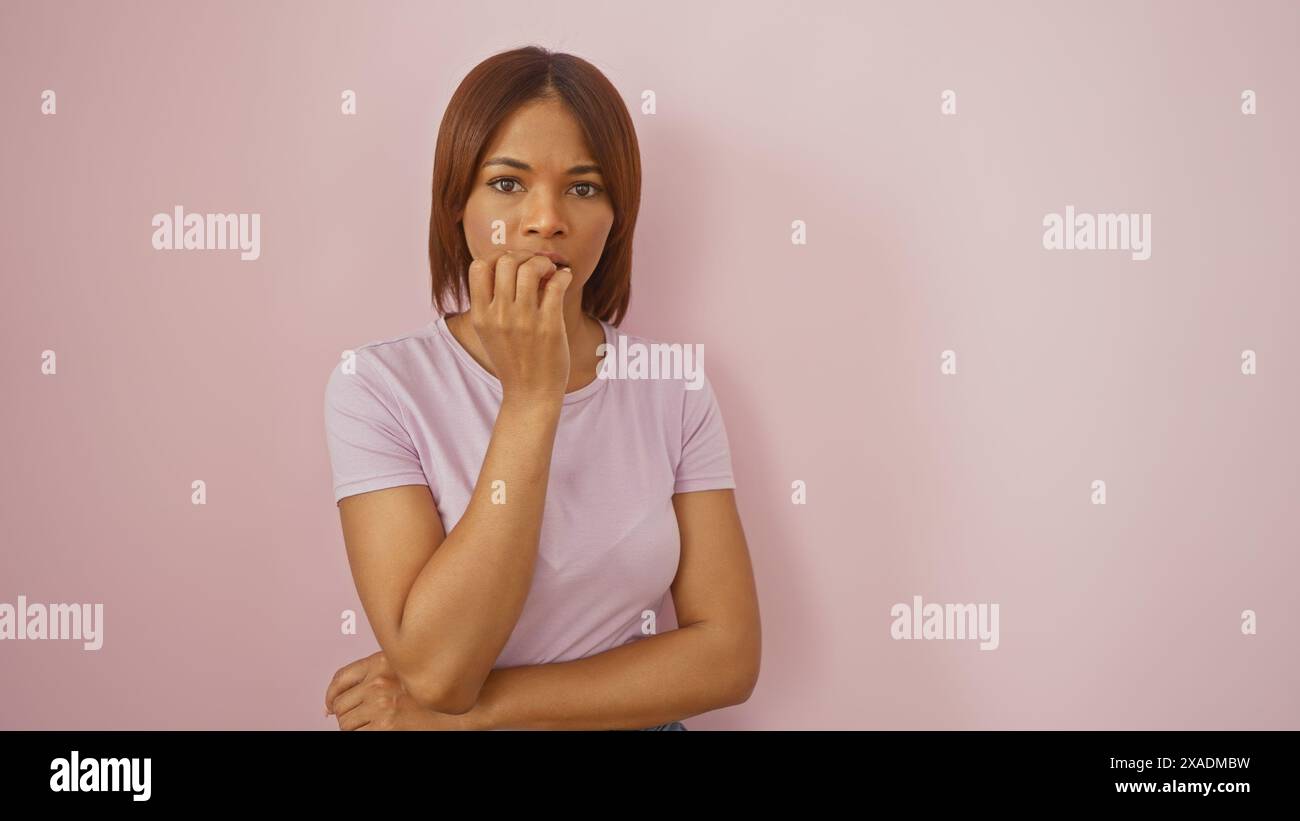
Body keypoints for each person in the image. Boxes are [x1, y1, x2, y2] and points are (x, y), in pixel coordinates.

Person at [322, 45, 760, 731]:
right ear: (455, 203)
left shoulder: (674, 386)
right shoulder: (377, 386)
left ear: (616, 217)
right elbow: (438, 667)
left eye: (583, 188)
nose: (545, 218)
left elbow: (728, 656)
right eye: (507, 182)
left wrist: (470, 717)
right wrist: (531, 399)